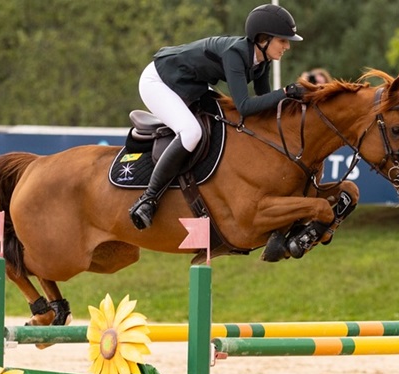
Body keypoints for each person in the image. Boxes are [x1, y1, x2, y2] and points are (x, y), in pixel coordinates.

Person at [128, 4, 307, 230]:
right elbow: (244, 106)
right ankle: (147, 199)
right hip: (159, 81)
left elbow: (264, 105)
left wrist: (294, 101)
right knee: (192, 132)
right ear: (264, 39)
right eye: (283, 40)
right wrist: (284, 93)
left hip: (189, 84)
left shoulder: (262, 62)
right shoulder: (235, 53)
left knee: (223, 120)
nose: (287, 46)